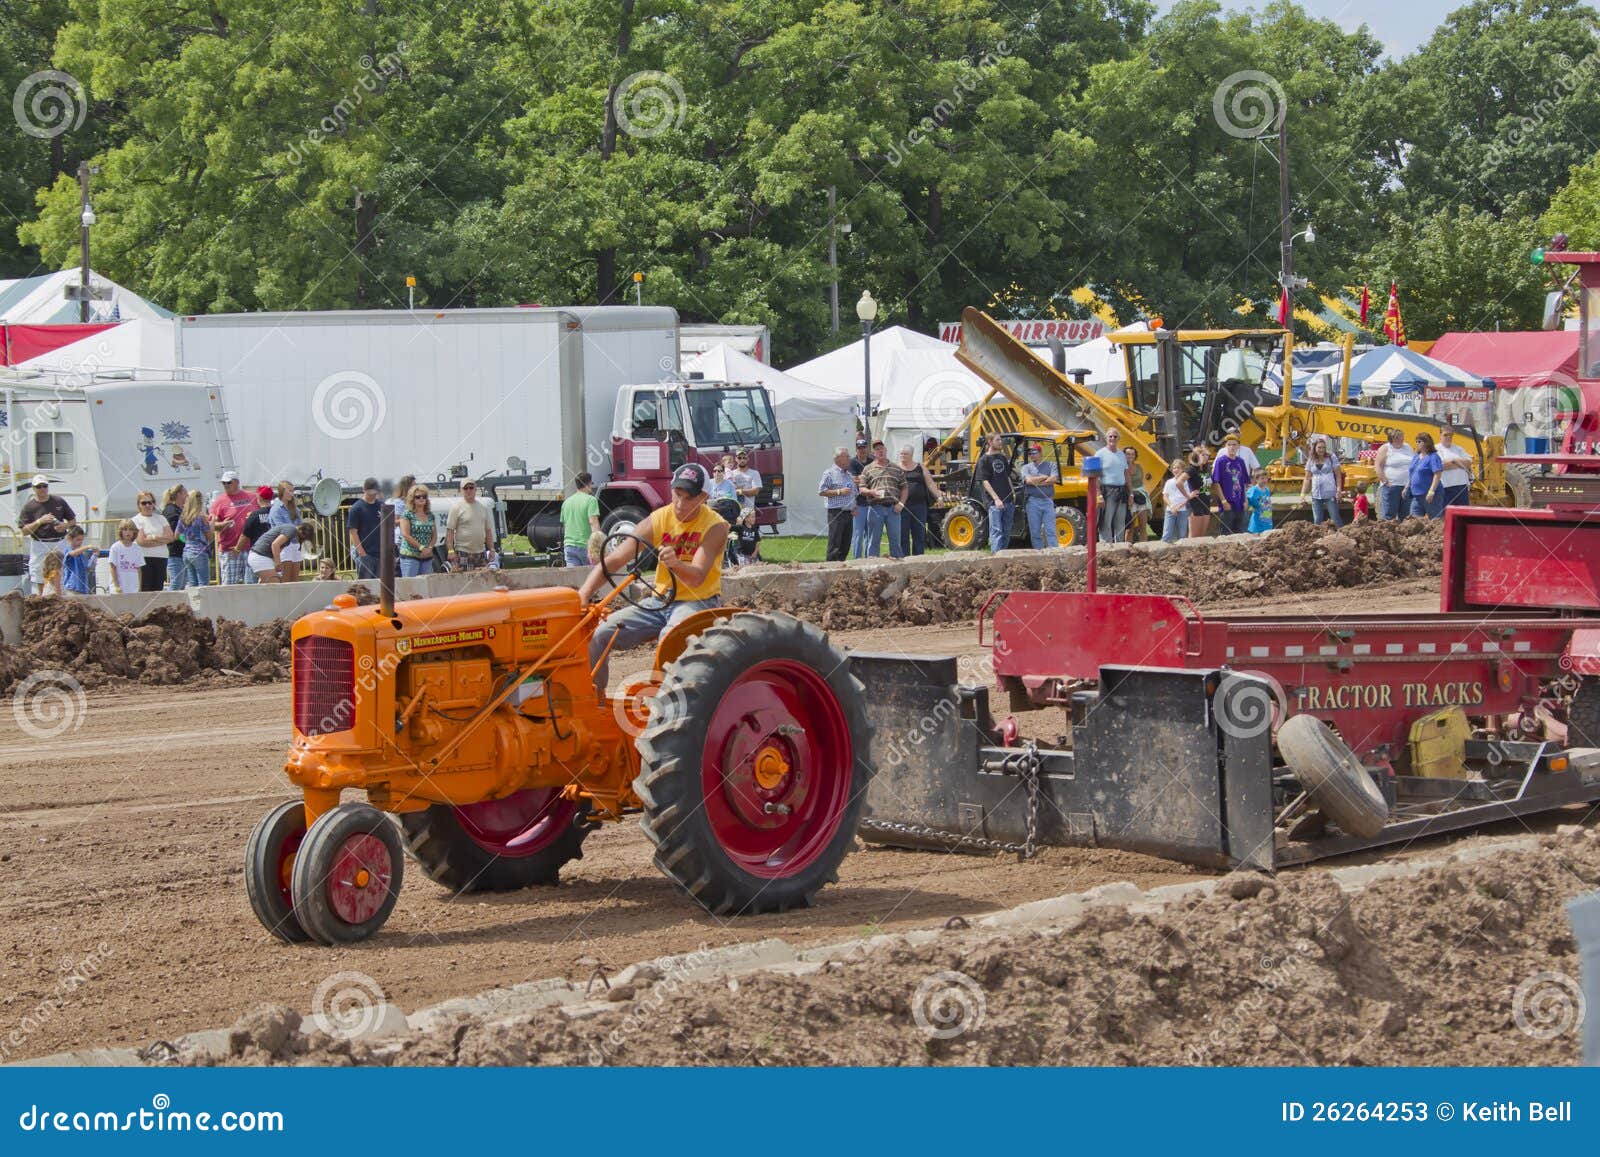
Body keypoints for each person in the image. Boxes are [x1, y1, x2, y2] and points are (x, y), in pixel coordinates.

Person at [580, 463, 730, 695]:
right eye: (676, 495)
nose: (680, 504)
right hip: (660, 601)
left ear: (703, 497)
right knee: (599, 635)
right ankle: (592, 701)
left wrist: (676, 564)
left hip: (698, 601)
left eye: (688, 498)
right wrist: (583, 594)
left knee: (668, 640)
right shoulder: (658, 519)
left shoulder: (716, 526)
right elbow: (615, 561)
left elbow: (698, 577)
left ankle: (663, 707)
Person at [19, 475, 75, 594]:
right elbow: (24, 531)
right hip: (39, 543)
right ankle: (41, 598)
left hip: (59, 541)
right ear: (34, 488)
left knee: (61, 572)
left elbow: (73, 520)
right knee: (39, 574)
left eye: (45, 486)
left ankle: (61, 599)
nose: (42, 489)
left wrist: (64, 526)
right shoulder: (29, 507)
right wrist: (40, 521)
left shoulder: (58, 501)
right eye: (39, 486)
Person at [859, 441, 907, 559]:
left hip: (893, 509)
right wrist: (871, 492)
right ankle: (871, 567)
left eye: (881, 448)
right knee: (873, 541)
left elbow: (905, 488)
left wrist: (901, 504)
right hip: (875, 509)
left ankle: (897, 565)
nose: (880, 451)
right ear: (873, 453)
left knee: (895, 541)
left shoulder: (896, 468)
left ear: (886, 450)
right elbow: (861, 488)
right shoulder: (868, 469)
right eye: (877, 449)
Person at [209, 471, 257, 585]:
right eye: (223, 483)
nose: (225, 485)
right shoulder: (219, 501)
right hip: (230, 549)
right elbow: (211, 525)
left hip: (251, 548)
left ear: (237, 482)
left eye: (228, 482)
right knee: (229, 585)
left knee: (251, 584)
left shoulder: (252, 497)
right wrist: (222, 524)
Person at [897, 445, 941, 556]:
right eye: (901, 453)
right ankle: (904, 559)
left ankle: (919, 558)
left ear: (911, 455)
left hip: (919, 506)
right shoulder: (896, 468)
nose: (902, 456)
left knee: (919, 535)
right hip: (903, 506)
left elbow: (930, 483)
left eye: (905, 454)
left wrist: (938, 496)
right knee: (903, 535)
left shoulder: (920, 467)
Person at [817, 447, 858, 563]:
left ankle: (841, 565)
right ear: (838, 458)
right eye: (847, 456)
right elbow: (821, 491)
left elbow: (854, 493)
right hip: (836, 512)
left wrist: (855, 506)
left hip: (848, 513)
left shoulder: (849, 475)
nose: (850, 458)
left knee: (846, 542)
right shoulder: (829, 473)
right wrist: (839, 491)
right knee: (835, 542)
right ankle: (831, 566)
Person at [977, 434, 1016, 552]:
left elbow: (1007, 476)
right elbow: (985, 482)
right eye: (998, 440)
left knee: (1007, 530)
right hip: (994, 503)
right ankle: (996, 557)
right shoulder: (984, 460)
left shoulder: (1002, 457)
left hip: (1008, 500)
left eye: (1000, 439)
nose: (1000, 442)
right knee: (996, 530)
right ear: (990, 442)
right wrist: (996, 499)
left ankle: (1003, 555)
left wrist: (1012, 492)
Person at [445, 478, 495, 570]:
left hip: (481, 553)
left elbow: (488, 531)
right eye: (465, 488)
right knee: (465, 581)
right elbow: (450, 531)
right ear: (461, 490)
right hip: (463, 552)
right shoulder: (456, 508)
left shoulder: (483, 508)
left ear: (475, 489)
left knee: (482, 581)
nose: (468, 490)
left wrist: (492, 549)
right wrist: (451, 551)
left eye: (471, 488)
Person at [130, 489, 173, 592]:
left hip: (161, 557)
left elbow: (171, 537)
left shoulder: (161, 518)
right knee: (145, 588)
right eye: (144, 503)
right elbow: (142, 541)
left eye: (150, 502)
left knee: (158, 589)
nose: (148, 505)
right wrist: (162, 539)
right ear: (139, 505)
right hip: (144, 558)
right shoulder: (136, 520)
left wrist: (154, 538)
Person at [346, 477, 387, 578]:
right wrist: (362, 553)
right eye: (370, 493)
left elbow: (386, 527)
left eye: (375, 493)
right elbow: (353, 532)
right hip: (366, 554)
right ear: (364, 490)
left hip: (380, 554)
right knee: (365, 586)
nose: (373, 496)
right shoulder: (356, 508)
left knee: (380, 586)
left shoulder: (381, 505)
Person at [1210, 435, 1251, 535]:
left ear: (1238, 446)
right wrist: (1224, 501)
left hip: (1240, 503)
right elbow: (1216, 483)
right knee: (1226, 532)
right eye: (1229, 445)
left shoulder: (1241, 462)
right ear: (1225, 446)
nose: (1232, 447)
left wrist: (1245, 500)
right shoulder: (1221, 462)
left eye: (1234, 444)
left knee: (1241, 531)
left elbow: (1244, 482)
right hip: (1227, 503)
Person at [1020, 443, 1059, 549]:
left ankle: (1054, 552)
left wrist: (1036, 482)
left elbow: (1054, 479)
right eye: (1029, 453)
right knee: (1035, 532)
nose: (1031, 454)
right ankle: (1039, 553)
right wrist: (1044, 477)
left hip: (1048, 501)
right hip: (1033, 502)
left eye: (1034, 452)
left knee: (1050, 530)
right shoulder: (1025, 468)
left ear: (1041, 453)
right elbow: (1028, 481)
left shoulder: (1051, 465)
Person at [250, 522, 317, 583]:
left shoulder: (289, 537)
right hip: (260, 555)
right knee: (275, 583)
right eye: (304, 536)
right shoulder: (292, 530)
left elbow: (278, 549)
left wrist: (275, 565)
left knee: (269, 582)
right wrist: (277, 563)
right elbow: (275, 545)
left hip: (263, 557)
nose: (303, 538)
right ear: (300, 529)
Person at [560, 473, 602, 568]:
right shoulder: (591, 500)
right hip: (586, 546)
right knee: (592, 577)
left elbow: (566, 525)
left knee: (573, 580)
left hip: (569, 546)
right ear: (589, 484)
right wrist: (599, 544)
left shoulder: (566, 502)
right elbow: (593, 523)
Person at [1093, 429, 1129, 543]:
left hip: (1121, 490)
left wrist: (1131, 493)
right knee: (1106, 522)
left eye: (1115, 436)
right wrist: (1099, 495)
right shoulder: (1099, 454)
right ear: (1106, 438)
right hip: (1107, 490)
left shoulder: (1121, 455)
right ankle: (1105, 548)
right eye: (1110, 436)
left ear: (1118, 438)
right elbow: (1095, 476)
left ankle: (1120, 548)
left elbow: (1126, 474)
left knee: (1120, 522)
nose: (1112, 438)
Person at [1300, 437, 1343, 526]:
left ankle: (1343, 536)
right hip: (1316, 495)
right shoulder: (1311, 460)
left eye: (1323, 447)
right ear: (1314, 448)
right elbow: (1307, 478)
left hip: (1330, 494)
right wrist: (1302, 495)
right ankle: (1319, 539)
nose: (1321, 450)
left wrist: (1338, 490)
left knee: (1335, 518)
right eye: (1319, 447)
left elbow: (1338, 475)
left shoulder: (1331, 457)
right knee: (1317, 520)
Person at [1372, 429, 1413, 520]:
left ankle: (1404, 533)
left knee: (1406, 515)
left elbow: (1412, 464)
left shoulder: (1408, 447)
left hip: (1406, 486)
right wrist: (1385, 481)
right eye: (1398, 438)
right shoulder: (1385, 448)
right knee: (1390, 515)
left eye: (1402, 437)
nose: (1401, 440)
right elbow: (1378, 466)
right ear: (1392, 439)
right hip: (1392, 486)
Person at [399, 485, 438, 577]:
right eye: (418, 497)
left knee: (425, 586)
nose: (421, 498)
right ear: (412, 499)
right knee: (410, 587)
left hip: (427, 556)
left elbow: (434, 536)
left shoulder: (430, 515)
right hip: (410, 555)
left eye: (424, 496)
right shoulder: (407, 514)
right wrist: (421, 548)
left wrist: (429, 548)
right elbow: (406, 534)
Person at [176, 491, 212, 587]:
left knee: (192, 583)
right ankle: (202, 602)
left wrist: (188, 540)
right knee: (203, 584)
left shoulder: (183, 517)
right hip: (199, 551)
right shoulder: (201, 517)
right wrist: (212, 523)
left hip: (187, 552)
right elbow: (209, 537)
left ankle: (193, 602)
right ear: (199, 502)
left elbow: (177, 535)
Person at [1404, 432, 1443, 519]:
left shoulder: (1433, 456)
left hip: (1430, 495)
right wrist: (1406, 487)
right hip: (1416, 494)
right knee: (1414, 520)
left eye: (1419, 441)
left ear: (1427, 443)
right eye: (1416, 441)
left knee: (1435, 520)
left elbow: (1437, 474)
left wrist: (1431, 491)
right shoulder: (1416, 456)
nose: (1417, 443)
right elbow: (1412, 473)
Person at [1434, 427, 1472, 514]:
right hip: (1445, 487)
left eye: (1450, 435)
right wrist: (1458, 463)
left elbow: (1468, 463)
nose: (1448, 437)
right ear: (1440, 435)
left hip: (1462, 487)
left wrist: (1453, 461)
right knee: (1445, 516)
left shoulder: (1459, 449)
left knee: (1463, 515)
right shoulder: (1435, 449)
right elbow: (1440, 466)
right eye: (1445, 435)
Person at [847, 438, 873, 557]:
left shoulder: (873, 460)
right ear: (856, 450)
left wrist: (861, 478)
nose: (862, 450)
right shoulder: (852, 462)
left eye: (864, 447)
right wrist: (868, 479)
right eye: (859, 448)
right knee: (858, 534)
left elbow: (860, 480)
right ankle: (857, 559)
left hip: (872, 503)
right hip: (858, 503)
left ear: (867, 448)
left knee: (870, 533)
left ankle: (868, 559)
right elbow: (853, 481)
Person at [160, 484, 189, 589]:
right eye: (185, 493)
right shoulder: (172, 512)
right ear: (179, 494)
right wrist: (187, 540)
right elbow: (174, 534)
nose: (187, 496)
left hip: (180, 552)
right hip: (175, 553)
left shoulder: (178, 510)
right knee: (176, 583)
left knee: (181, 584)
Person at [108, 520, 143, 594]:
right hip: (119, 589)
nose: (128, 532)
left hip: (133, 588)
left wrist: (139, 587)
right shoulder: (115, 547)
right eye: (125, 529)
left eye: (131, 529)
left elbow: (139, 569)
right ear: (121, 531)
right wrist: (117, 586)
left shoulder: (137, 548)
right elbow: (112, 568)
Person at [1161, 458, 1192, 542]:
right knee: (1167, 534)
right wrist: (1172, 507)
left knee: (1182, 535)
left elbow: (1188, 496)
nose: (1176, 470)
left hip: (1183, 511)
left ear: (1182, 469)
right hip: (1170, 510)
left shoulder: (1186, 482)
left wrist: (1179, 506)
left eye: (1178, 468)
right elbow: (1165, 496)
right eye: (1174, 468)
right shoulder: (1169, 482)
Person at [1185, 446, 1212, 538]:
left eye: (1207, 455)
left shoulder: (1207, 469)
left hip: (1206, 502)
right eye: (1203, 455)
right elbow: (1179, 482)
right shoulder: (1192, 469)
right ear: (1196, 456)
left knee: (1202, 534)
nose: (1205, 457)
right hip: (1195, 503)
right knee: (1194, 535)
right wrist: (1188, 495)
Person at [1125, 447, 1150, 543]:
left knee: (1143, 526)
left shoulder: (1139, 467)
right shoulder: (1122, 468)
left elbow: (1141, 482)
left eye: (1132, 454)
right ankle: (1127, 548)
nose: (1130, 456)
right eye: (1128, 454)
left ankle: (1144, 548)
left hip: (1140, 497)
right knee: (1130, 527)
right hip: (1129, 498)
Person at [61, 526, 93, 595]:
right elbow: (72, 554)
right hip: (71, 587)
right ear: (70, 539)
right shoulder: (68, 549)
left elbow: (87, 568)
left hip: (83, 587)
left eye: (82, 540)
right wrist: (86, 547)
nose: (80, 542)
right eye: (78, 540)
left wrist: (95, 556)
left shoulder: (81, 553)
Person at [729, 449, 762, 514]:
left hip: (748, 511)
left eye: (744, 457)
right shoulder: (730, 474)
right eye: (739, 458)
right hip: (734, 510)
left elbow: (755, 491)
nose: (742, 460)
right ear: (736, 459)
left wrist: (739, 491)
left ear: (748, 459)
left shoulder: (755, 473)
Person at [1245, 468, 1274, 534]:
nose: (1264, 480)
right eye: (1262, 478)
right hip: (1257, 519)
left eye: (1266, 478)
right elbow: (1247, 500)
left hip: (1267, 517)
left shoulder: (1267, 490)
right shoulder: (1253, 490)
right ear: (1257, 479)